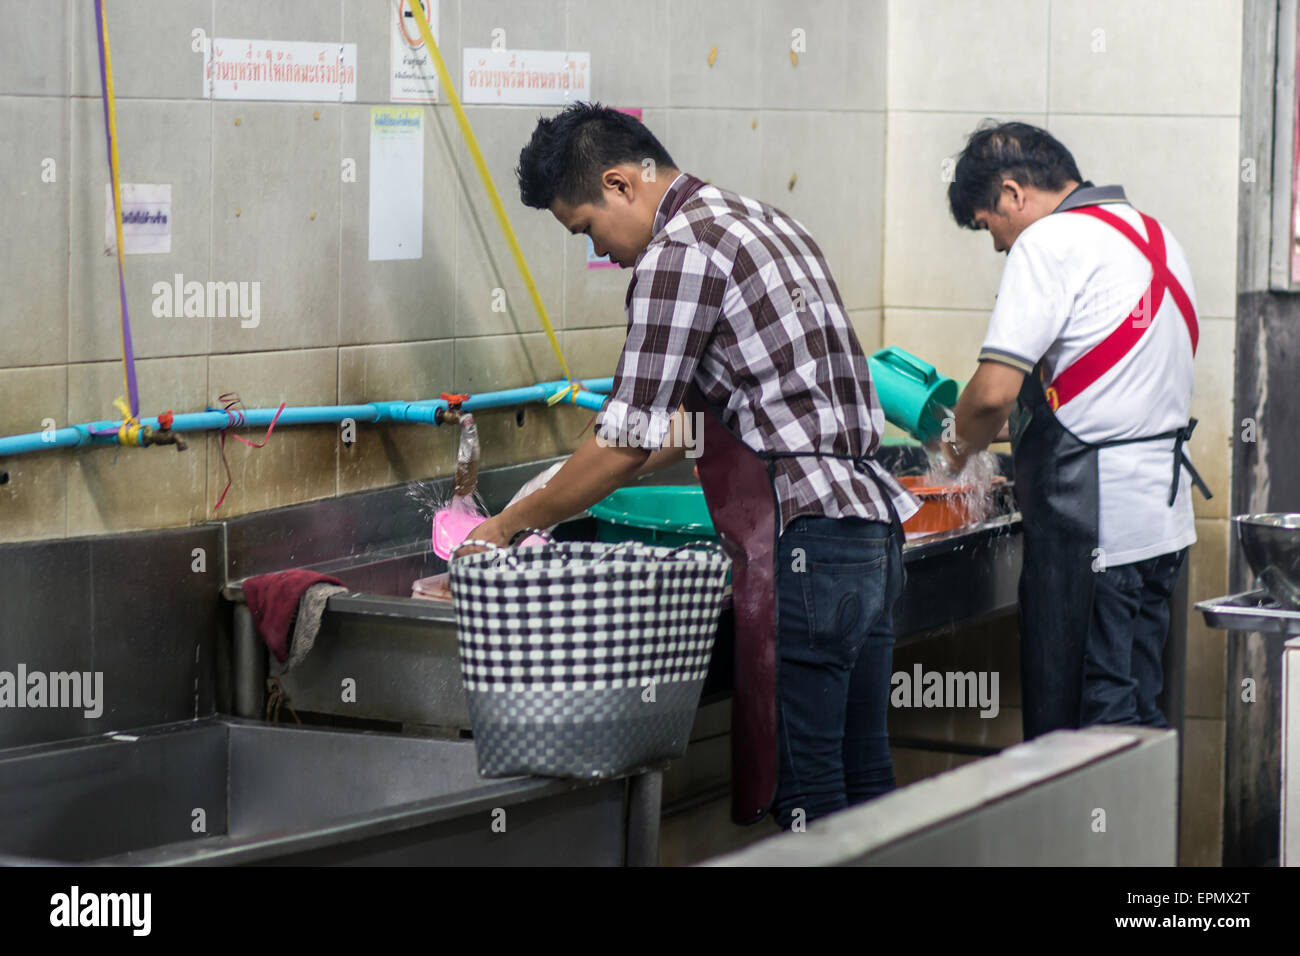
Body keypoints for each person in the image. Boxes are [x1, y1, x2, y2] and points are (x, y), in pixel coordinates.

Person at [470, 102, 918, 828]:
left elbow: (626, 444)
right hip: (868, 534)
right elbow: (734, 413)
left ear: (619, 184)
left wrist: (508, 524)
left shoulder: (680, 249)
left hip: (806, 543)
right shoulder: (763, 221)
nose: (604, 253)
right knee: (864, 777)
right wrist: (583, 473)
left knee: (809, 800)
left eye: (586, 230)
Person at [937, 121, 1211, 739]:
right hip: (1161, 526)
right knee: (1139, 712)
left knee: (1089, 729)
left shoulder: (1050, 241)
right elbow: (1109, 394)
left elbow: (991, 394)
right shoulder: (1153, 235)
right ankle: (1138, 837)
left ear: (1012, 194)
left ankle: (1094, 836)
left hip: (1097, 527)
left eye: (988, 226)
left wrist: (949, 454)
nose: (998, 245)